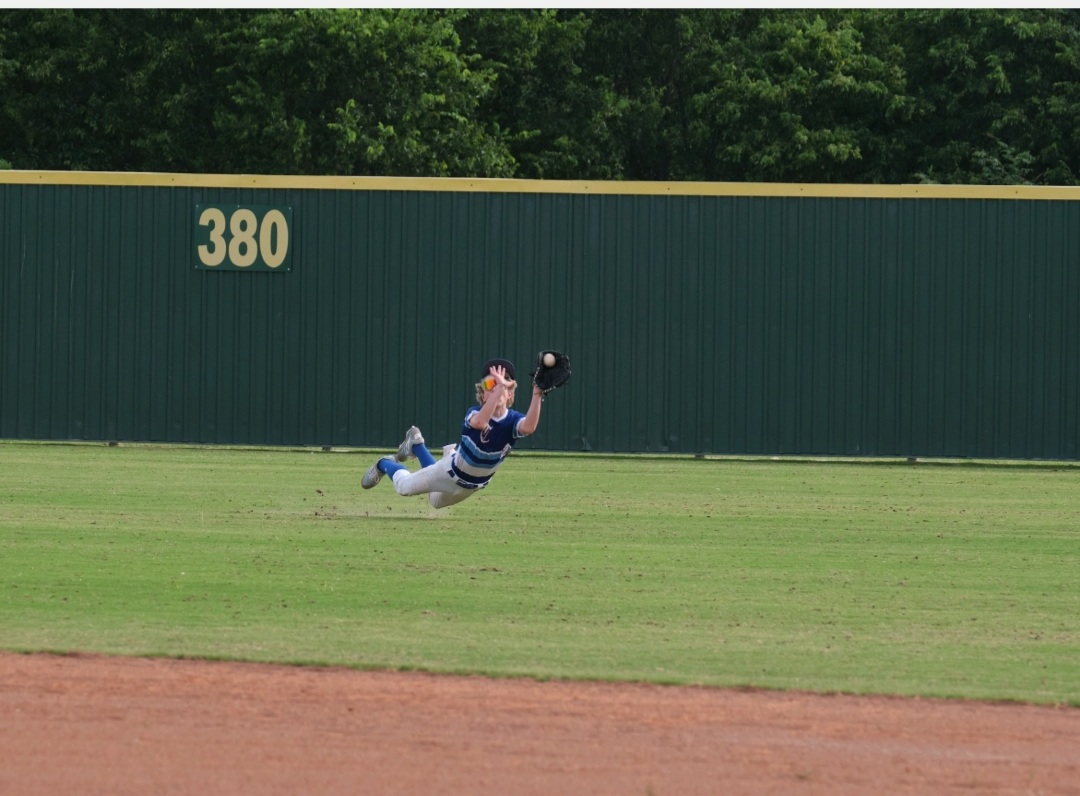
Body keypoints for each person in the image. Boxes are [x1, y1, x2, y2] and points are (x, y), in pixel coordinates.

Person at [361, 358, 545, 509]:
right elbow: (481, 422)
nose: (495, 387)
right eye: (490, 383)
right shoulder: (474, 413)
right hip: (447, 472)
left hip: (470, 487)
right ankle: (384, 463)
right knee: (403, 487)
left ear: (510, 394)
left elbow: (528, 427)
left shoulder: (512, 420)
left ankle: (417, 445)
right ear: (482, 394)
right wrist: (500, 389)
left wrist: (537, 394)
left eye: (502, 383)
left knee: (434, 502)